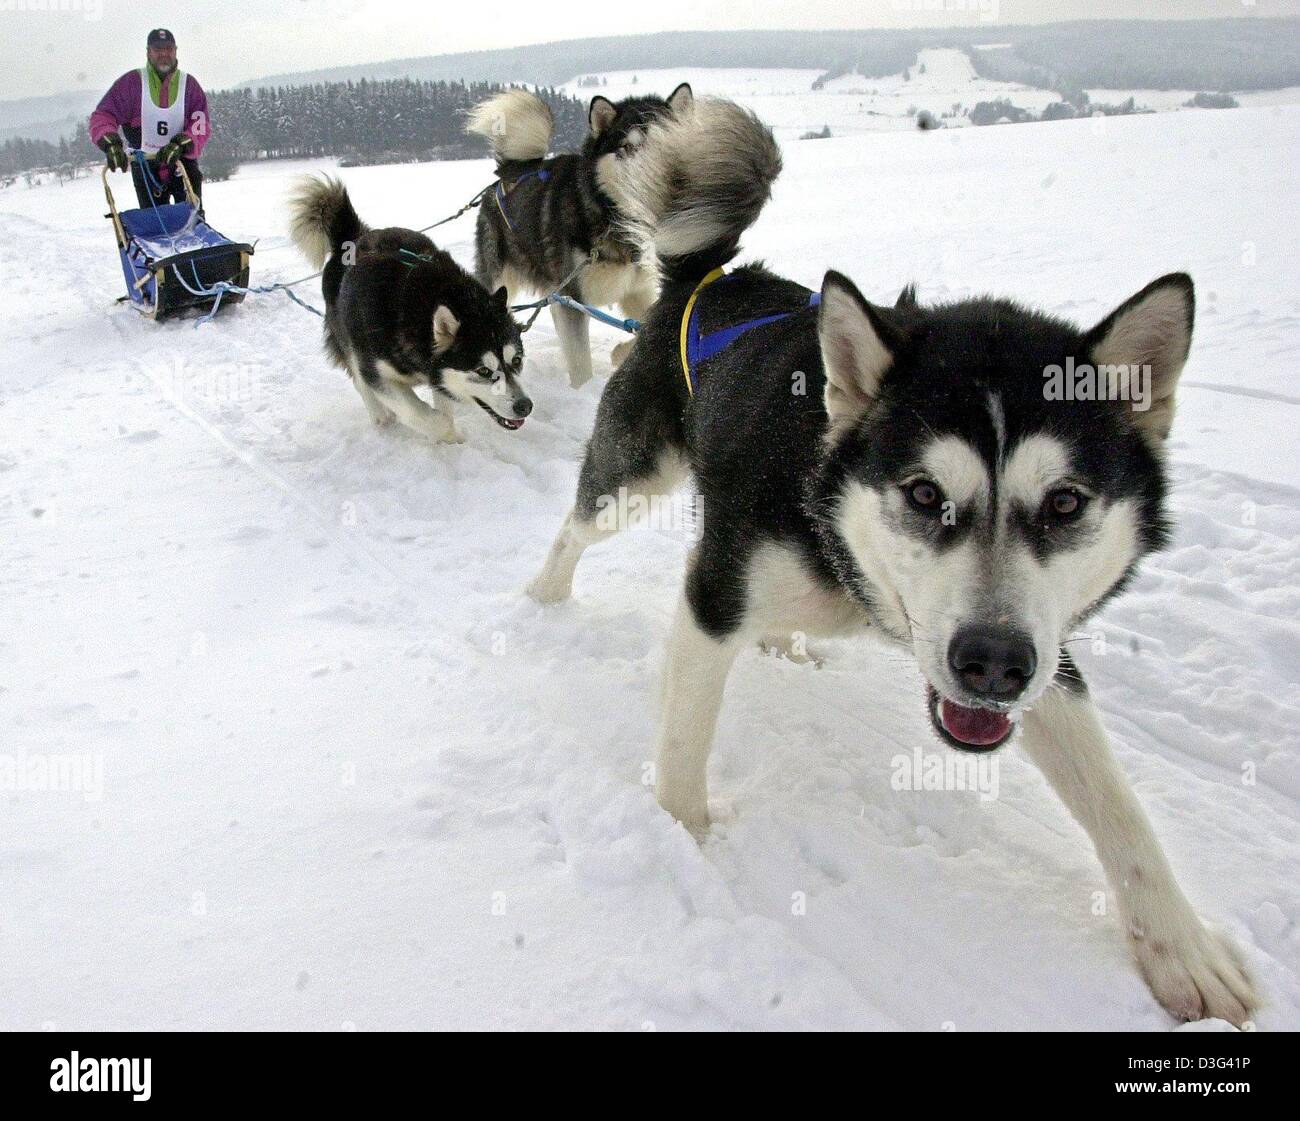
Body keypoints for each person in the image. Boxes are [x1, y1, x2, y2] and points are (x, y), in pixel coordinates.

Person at [89, 28, 211, 209]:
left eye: (169, 49)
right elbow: (103, 115)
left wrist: (182, 144)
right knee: (154, 227)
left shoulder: (189, 85)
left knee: (193, 224)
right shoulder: (131, 83)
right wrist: (111, 144)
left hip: (181, 164)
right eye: (158, 49)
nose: (164, 54)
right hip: (145, 166)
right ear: (148, 52)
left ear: (175, 51)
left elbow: (201, 126)